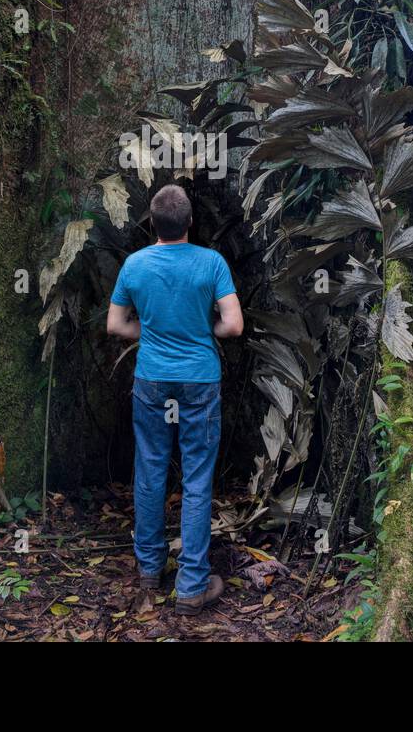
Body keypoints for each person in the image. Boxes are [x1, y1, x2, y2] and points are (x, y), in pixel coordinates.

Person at [106, 183, 244, 614]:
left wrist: (149, 334)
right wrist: (204, 333)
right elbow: (234, 325)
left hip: (152, 379)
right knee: (196, 478)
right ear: (189, 222)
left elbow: (115, 325)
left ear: (152, 224)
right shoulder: (211, 263)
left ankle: (149, 569)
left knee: (150, 467)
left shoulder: (134, 265)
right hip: (199, 381)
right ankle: (191, 587)